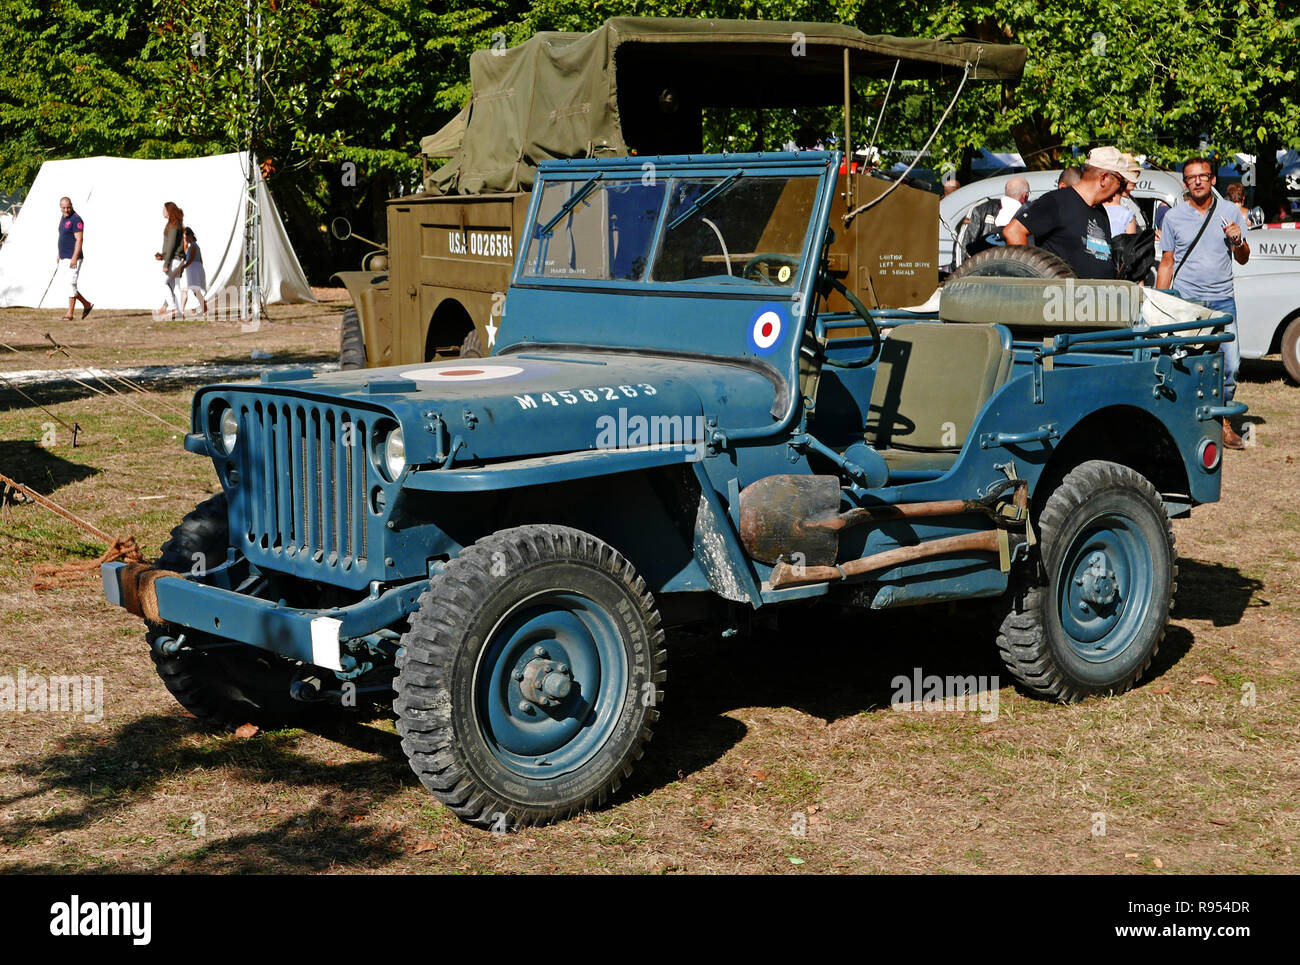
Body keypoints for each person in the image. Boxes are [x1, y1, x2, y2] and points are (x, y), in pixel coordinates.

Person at [1155, 156, 1250, 448]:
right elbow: (1167, 263)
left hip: (1222, 300)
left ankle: (1222, 420)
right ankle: (1183, 422)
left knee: (1230, 365)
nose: (1197, 181)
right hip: (1188, 301)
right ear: (1185, 183)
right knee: (1186, 363)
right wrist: (1160, 304)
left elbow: (1243, 258)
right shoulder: (1173, 217)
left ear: (1212, 180)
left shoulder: (1230, 210)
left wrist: (1238, 239)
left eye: (1203, 176)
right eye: (1191, 177)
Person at [1002, 146, 1129, 278]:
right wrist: (1030, 281)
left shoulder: (1101, 212)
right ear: (1104, 178)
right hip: (1059, 296)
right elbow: (1013, 231)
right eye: (1121, 182)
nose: (1121, 190)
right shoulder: (1057, 201)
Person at [56, 197, 92, 320]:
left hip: (73, 257)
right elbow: (62, 236)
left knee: (71, 284)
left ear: (71, 205)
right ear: (60, 207)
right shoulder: (63, 217)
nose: (66, 210)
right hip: (63, 256)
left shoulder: (76, 220)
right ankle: (86, 304)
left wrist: (74, 258)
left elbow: (79, 239)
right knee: (68, 286)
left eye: (68, 207)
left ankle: (69, 314)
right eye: (64, 207)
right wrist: (58, 254)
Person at [156, 201, 185, 320]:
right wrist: (162, 255)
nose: (163, 211)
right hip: (176, 258)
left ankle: (174, 309)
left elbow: (172, 245)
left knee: (165, 283)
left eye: (164, 209)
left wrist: (166, 263)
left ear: (169, 211)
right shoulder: (174, 225)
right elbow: (170, 246)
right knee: (174, 285)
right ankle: (174, 310)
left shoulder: (173, 226)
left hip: (175, 259)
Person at [179, 227, 208, 319]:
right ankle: (182, 311)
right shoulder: (192, 246)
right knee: (187, 290)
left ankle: (205, 310)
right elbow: (187, 255)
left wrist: (183, 267)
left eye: (185, 237)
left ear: (189, 236)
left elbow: (191, 260)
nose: (185, 240)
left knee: (195, 292)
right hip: (191, 270)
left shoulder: (194, 246)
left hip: (192, 270)